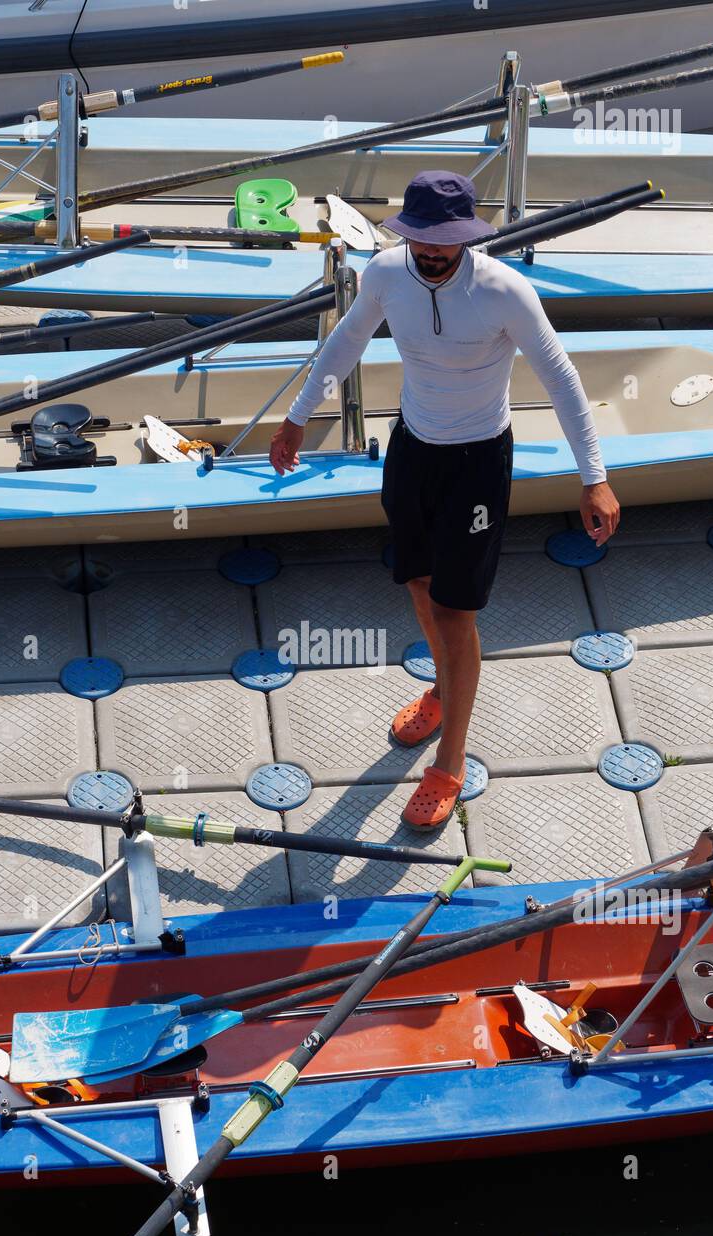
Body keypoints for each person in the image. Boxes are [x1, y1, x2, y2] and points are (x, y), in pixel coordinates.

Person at [269, 171, 620, 831]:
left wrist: (593, 477)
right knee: (420, 584)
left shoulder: (503, 291)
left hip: (477, 464)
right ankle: (442, 688)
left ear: (466, 238)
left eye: (444, 243)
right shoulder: (384, 275)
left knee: (457, 615)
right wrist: (296, 417)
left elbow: (563, 379)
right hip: (412, 449)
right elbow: (344, 343)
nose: (431, 253)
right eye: (421, 240)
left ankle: (449, 764)